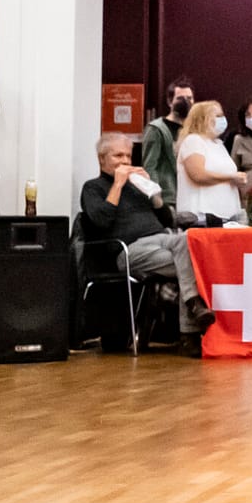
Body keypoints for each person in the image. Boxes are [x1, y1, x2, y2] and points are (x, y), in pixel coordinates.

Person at [81, 134, 215, 355]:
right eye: (118, 155)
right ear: (102, 159)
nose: (125, 161)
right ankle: (189, 332)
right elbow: (101, 220)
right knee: (192, 265)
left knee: (188, 239)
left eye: (128, 155)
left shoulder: (136, 187)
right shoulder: (93, 187)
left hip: (162, 239)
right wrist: (117, 185)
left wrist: (154, 194)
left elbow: (167, 220)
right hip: (129, 249)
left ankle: (192, 308)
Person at [174, 102, 246, 223]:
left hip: (227, 216)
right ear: (203, 119)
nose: (222, 119)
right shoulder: (193, 141)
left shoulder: (218, 144)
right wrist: (230, 177)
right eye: (217, 116)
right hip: (202, 216)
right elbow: (198, 175)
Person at [140, 76, 195, 210]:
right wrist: (156, 198)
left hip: (190, 196)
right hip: (168, 197)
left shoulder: (194, 130)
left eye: (189, 98)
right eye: (180, 99)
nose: (186, 102)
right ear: (170, 102)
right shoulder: (156, 129)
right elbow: (150, 166)